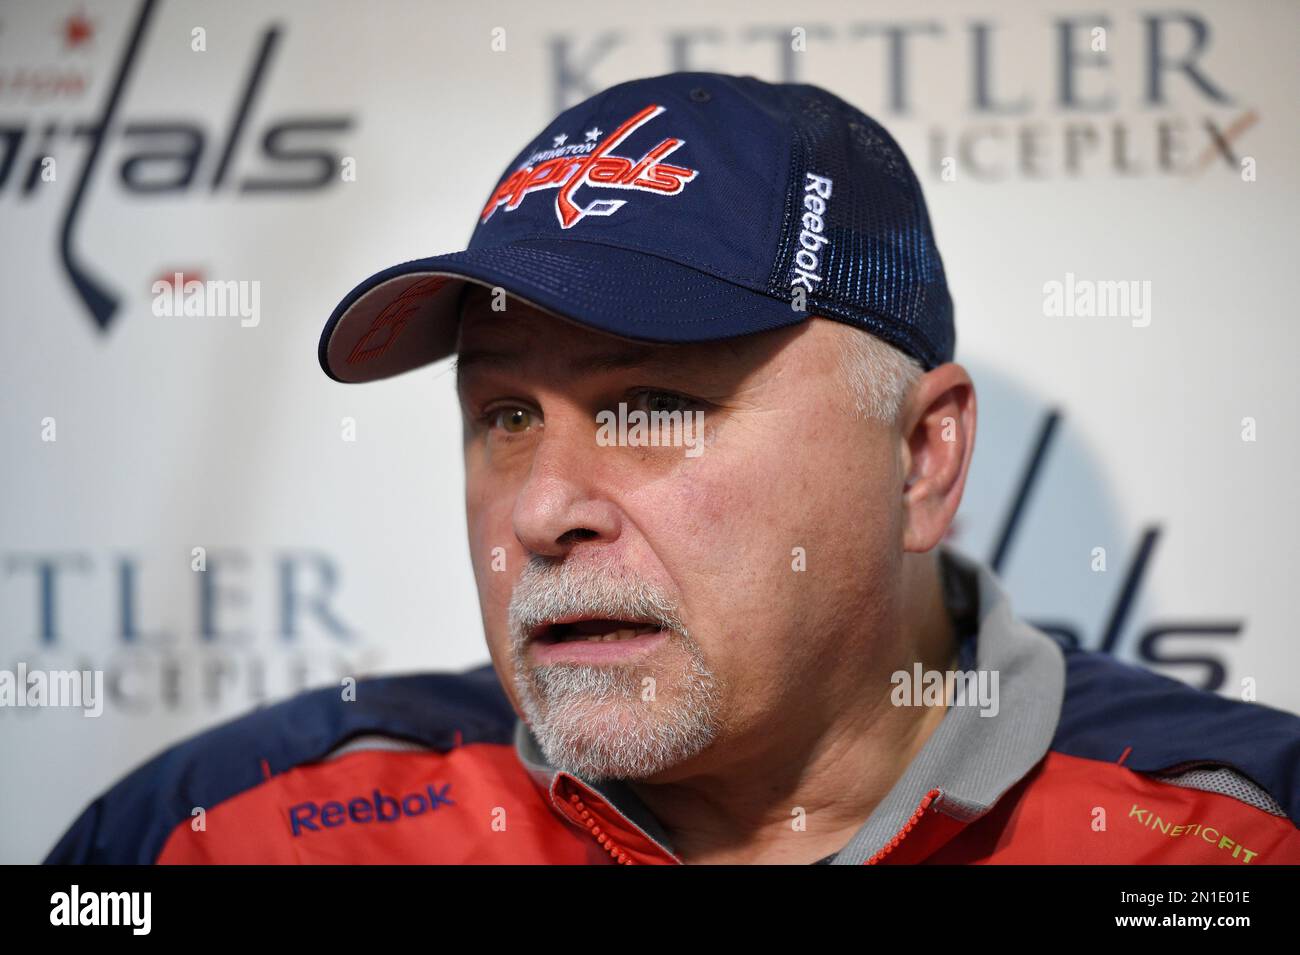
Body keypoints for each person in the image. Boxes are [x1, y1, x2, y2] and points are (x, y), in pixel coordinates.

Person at [46, 71, 1299, 865]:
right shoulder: (229, 832)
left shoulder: (1235, 834)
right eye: (503, 416)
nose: (540, 509)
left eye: (650, 404)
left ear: (921, 458)